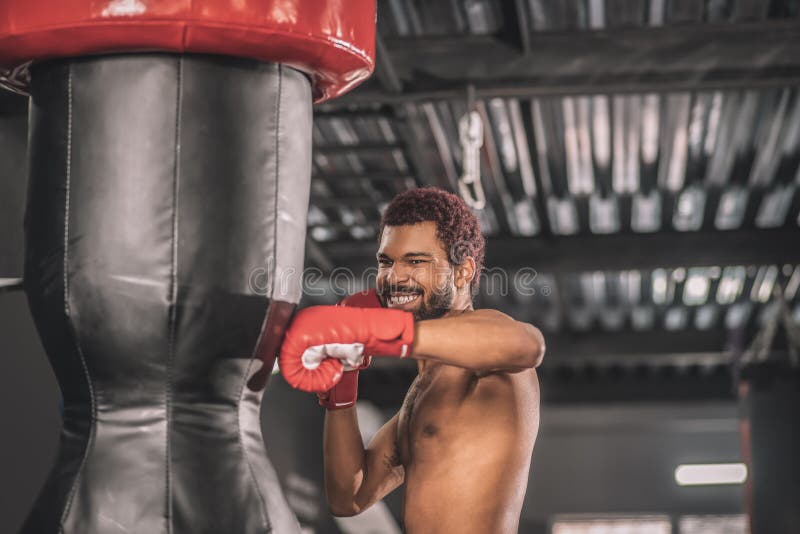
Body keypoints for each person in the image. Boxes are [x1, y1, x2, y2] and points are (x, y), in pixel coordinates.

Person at [278, 187, 545, 533]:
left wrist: (374, 330)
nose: (395, 277)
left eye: (416, 261)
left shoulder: (489, 352)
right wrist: (342, 381)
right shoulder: (422, 391)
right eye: (386, 261)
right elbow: (350, 497)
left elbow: (529, 346)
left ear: (463, 272)